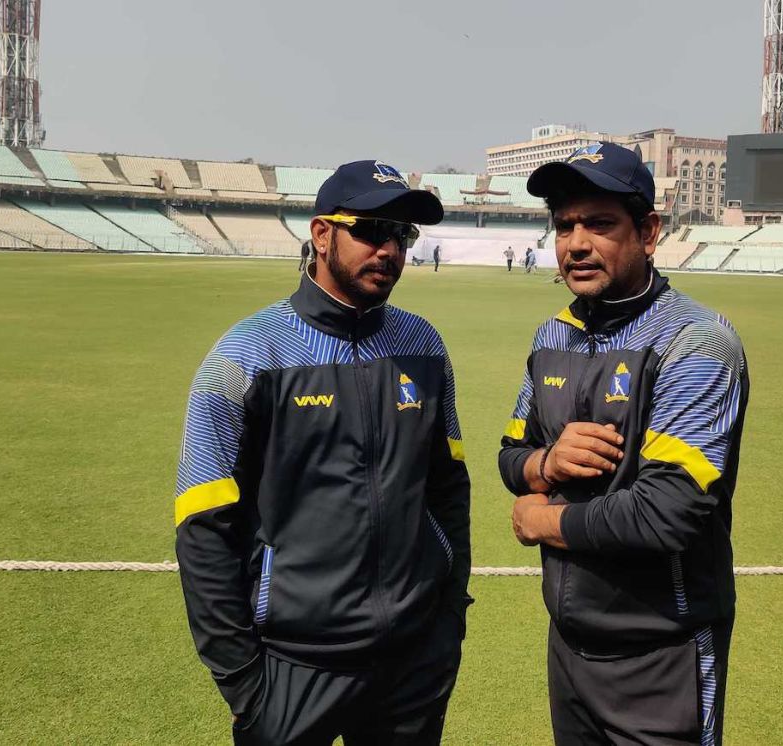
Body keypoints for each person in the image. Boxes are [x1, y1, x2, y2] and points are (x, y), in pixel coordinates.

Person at [176, 159, 472, 745]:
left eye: (402, 235)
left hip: (412, 664)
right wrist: (243, 681)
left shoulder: (423, 345)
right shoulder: (246, 356)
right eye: (370, 230)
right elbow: (203, 524)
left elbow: (447, 489)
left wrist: (447, 621)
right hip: (290, 669)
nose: (388, 249)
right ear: (321, 233)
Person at [498, 142, 749, 746]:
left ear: (649, 231)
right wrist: (544, 461)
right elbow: (511, 457)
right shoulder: (553, 332)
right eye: (564, 225)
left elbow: (666, 514)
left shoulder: (695, 341)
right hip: (570, 644)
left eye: (600, 223)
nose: (576, 243)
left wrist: (543, 519)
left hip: (663, 652)